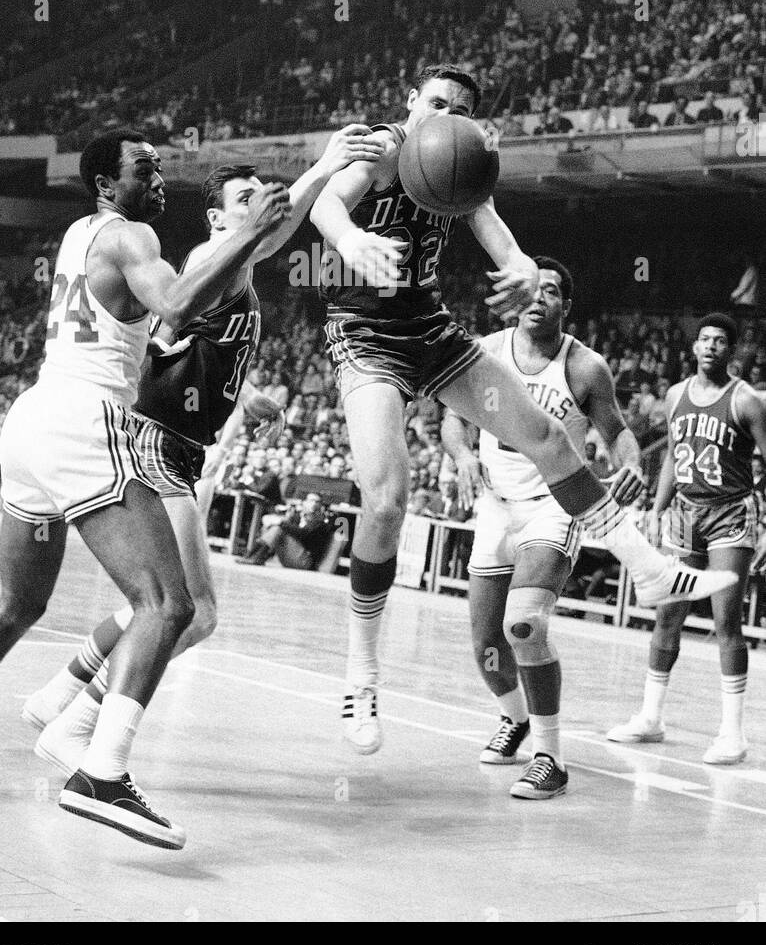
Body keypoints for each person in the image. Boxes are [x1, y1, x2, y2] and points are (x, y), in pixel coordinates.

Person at [309, 64, 735, 767]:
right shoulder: (387, 146)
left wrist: (523, 272)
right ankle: (361, 677)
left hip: (429, 329)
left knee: (544, 434)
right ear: (413, 104)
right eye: (437, 102)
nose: (447, 115)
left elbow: (497, 233)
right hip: (363, 333)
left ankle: (650, 569)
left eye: (461, 110)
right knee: (386, 502)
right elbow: (329, 202)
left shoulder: (466, 163)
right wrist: (351, 241)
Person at [0, 129, 292, 848]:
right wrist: (249, 234)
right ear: (104, 184)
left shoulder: (80, 234)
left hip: (30, 421)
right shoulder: (131, 236)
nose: (158, 179)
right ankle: (101, 773)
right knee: (168, 603)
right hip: (83, 426)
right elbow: (180, 306)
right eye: (144, 170)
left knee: (16, 605)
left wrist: (242, 398)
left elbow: (158, 343)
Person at [20, 129, 382, 772]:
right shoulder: (217, 255)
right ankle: (78, 726)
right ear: (218, 217)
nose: (259, 203)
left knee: (158, 599)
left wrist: (246, 395)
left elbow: (182, 350)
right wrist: (326, 164)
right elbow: (273, 232)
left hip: (174, 442)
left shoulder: (224, 264)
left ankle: (59, 692)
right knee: (193, 612)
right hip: (156, 445)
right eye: (246, 197)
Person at [441, 258, 645, 799]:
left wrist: (634, 465)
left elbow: (617, 431)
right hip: (495, 505)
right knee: (486, 644)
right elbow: (451, 418)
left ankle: (551, 758)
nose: (539, 299)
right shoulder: (483, 351)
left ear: (565, 306)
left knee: (524, 625)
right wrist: (461, 454)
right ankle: (516, 717)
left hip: (556, 506)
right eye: (532, 290)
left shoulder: (585, 368)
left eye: (551, 292)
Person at [607, 314, 766, 765]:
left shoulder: (748, 401)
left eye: (720, 341)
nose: (711, 346)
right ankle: (650, 717)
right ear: (694, 347)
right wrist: (657, 510)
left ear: (731, 352)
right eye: (705, 339)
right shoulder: (676, 395)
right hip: (684, 514)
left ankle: (732, 734)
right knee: (667, 616)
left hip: (732, 515)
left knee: (726, 624)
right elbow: (675, 460)